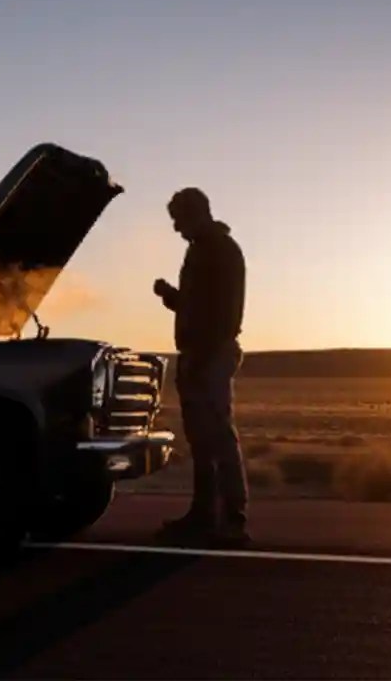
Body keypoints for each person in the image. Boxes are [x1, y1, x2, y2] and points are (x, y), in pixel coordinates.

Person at [152, 187, 250, 547]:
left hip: (209, 355)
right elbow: (198, 306)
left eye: (179, 219)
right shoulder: (203, 249)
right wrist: (170, 296)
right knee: (202, 438)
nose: (176, 228)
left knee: (218, 435)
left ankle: (231, 519)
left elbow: (224, 313)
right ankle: (204, 514)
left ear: (196, 214)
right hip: (198, 354)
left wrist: (204, 357)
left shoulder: (220, 250)